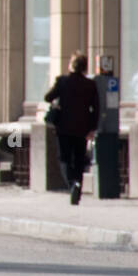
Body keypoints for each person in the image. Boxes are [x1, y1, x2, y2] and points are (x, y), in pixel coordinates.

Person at [45, 51, 100, 205]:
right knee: (79, 160)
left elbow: (47, 97)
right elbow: (96, 108)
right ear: (85, 67)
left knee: (64, 158)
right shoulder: (90, 85)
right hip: (82, 128)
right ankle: (77, 188)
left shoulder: (62, 81)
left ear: (71, 65)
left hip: (64, 127)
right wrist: (92, 128)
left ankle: (72, 184)